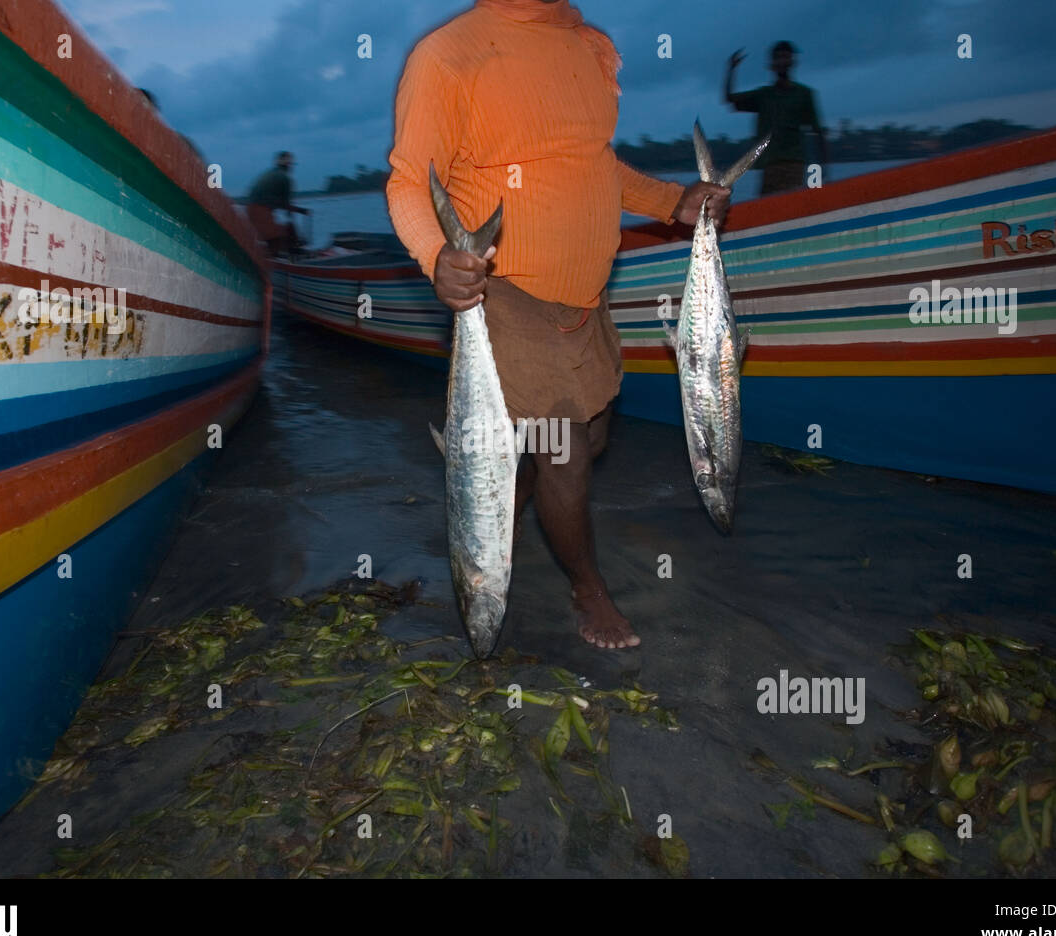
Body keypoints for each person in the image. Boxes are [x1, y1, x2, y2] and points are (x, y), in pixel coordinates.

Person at [386, 0, 729, 650]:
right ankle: (586, 587)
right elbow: (408, 182)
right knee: (567, 451)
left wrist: (672, 203)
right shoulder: (447, 54)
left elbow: (594, 160)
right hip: (505, 293)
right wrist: (438, 258)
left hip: (586, 299)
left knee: (587, 442)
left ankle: (488, 523)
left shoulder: (582, 44)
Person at [724, 41, 828, 195]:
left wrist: (821, 171)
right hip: (769, 166)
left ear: (792, 62)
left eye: (786, 57)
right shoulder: (764, 95)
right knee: (767, 207)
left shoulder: (804, 95)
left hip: (794, 164)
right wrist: (731, 69)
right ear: (772, 64)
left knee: (792, 205)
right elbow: (730, 99)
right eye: (778, 58)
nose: (782, 62)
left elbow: (818, 132)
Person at [246, 152, 309, 257]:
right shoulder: (284, 178)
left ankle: (279, 254)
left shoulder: (270, 174)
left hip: (251, 210)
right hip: (260, 210)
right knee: (278, 239)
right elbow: (287, 207)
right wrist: (302, 212)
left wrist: (298, 211)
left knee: (278, 237)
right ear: (289, 166)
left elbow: (282, 205)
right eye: (291, 164)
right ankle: (286, 255)